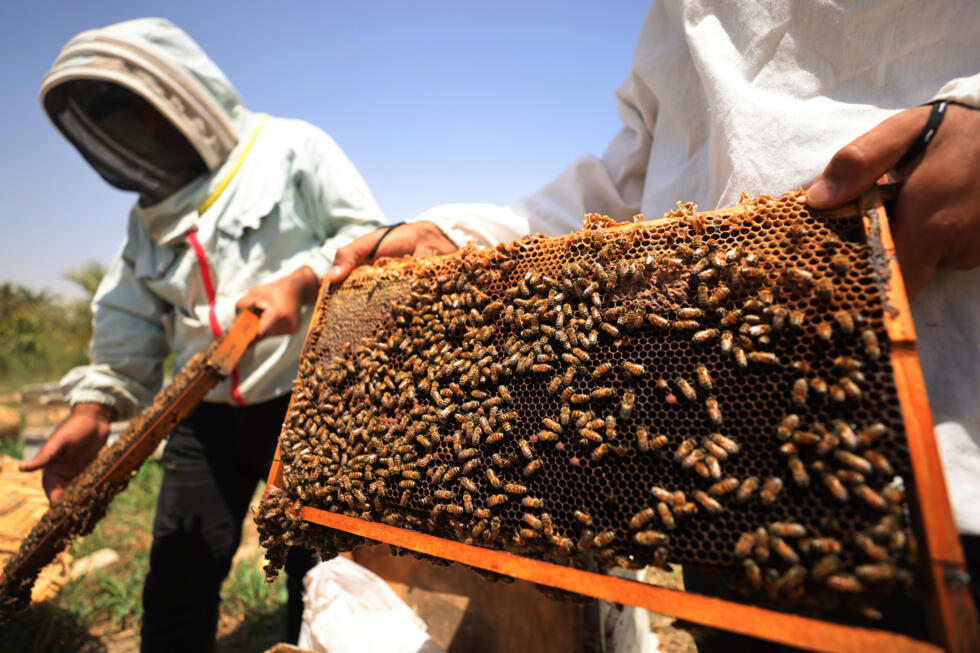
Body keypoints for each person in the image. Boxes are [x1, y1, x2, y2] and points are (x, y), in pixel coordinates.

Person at [327, 0, 980, 641]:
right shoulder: (675, 17)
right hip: (720, 479)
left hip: (936, 435)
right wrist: (458, 234)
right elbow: (631, 184)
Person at [20, 18, 385, 650]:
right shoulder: (147, 222)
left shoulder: (293, 149)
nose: (148, 133)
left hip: (309, 405)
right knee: (179, 574)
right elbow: (126, 317)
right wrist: (94, 406)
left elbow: (373, 242)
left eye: (149, 113)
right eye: (125, 123)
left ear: (186, 94)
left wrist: (300, 284)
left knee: (319, 570)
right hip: (202, 415)